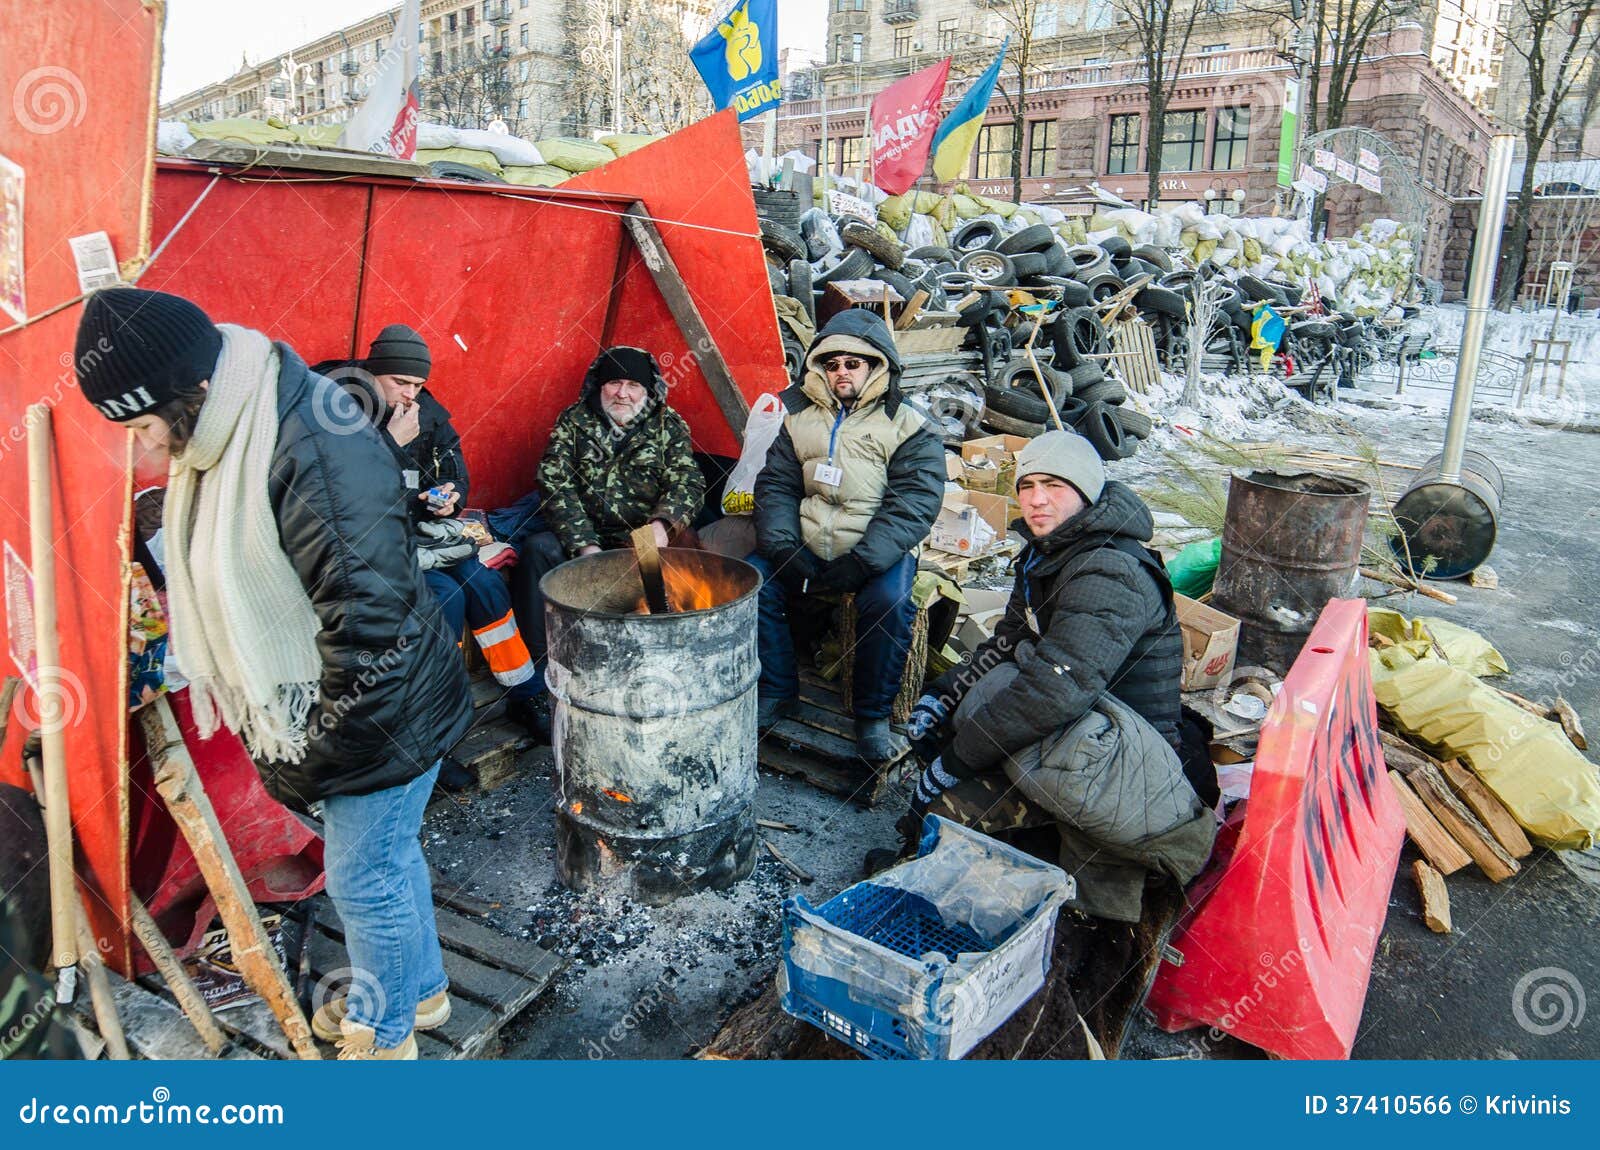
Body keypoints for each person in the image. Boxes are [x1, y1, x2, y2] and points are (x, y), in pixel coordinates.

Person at [75, 288, 472, 1060]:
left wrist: (314, 756)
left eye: (145, 427)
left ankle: (386, 1041)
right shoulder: (242, 416)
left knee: (365, 878)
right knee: (388, 857)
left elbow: (372, 631)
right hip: (371, 698)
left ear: (185, 396)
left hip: (383, 705)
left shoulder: (311, 447)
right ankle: (419, 992)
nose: (147, 451)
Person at [900, 430, 1216, 924]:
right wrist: (943, 693)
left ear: (1086, 491)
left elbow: (1053, 689)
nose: (1037, 500)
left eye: (1054, 485)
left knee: (945, 810)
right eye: (1027, 486)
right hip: (1075, 725)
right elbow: (1006, 640)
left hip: (1121, 751)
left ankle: (1028, 890)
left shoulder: (1109, 571)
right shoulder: (1046, 553)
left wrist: (957, 761)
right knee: (951, 725)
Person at [314, 326, 548, 760]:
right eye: (399, 383)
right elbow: (341, 498)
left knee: (483, 580)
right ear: (371, 375)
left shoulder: (423, 412)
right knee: (444, 597)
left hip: (425, 536)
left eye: (417, 385)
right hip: (369, 549)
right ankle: (434, 724)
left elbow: (455, 470)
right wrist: (389, 444)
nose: (409, 395)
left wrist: (451, 496)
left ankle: (524, 691)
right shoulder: (337, 413)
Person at [750, 309, 944, 762]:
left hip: (873, 550)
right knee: (753, 583)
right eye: (832, 363)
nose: (841, 372)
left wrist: (863, 561)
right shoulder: (799, 417)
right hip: (807, 538)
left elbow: (915, 502)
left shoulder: (907, 424)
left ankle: (872, 716)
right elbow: (776, 483)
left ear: (876, 366)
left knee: (890, 603)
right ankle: (778, 689)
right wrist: (782, 546)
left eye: (853, 363)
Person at [509, 346, 706, 662]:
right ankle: (539, 664)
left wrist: (663, 525)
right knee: (537, 551)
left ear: (647, 390)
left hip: (644, 536)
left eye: (634, 386)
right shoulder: (573, 422)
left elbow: (688, 481)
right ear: (600, 386)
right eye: (614, 383)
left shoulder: (668, 425)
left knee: (684, 554)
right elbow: (555, 485)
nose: (623, 394)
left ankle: (670, 655)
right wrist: (585, 546)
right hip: (590, 535)